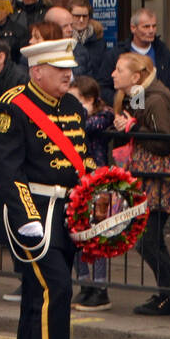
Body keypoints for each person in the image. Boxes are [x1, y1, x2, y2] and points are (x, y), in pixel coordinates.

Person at [0, 38, 93, 339]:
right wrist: (26, 219)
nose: (68, 74)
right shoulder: (12, 107)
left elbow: (83, 158)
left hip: (65, 213)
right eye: (60, 69)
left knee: (38, 296)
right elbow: (7, 170)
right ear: (37, 72)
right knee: (57, 289)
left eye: (69, 69)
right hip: (32, 213)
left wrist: (102, 190)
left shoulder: (71, 106)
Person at [110, 52, 170, 316]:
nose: (113, 74)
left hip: (159, 179)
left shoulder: (156, 99)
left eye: (119, 69)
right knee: (148, 239)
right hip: (145, 178)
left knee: (147, 240)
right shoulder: (139, 95)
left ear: (136, 76)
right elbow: (138, 123)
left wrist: (131, 128)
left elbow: (167, 141)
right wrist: (126, 124)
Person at [69, 76, 113, 311]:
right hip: (78, 179)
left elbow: (89, 126)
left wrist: (78, 113)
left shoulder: (103, 115)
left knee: (97, 235)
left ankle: (100, 287)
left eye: (75, 100)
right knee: (77, 232)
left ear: (89, 100)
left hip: (98, 181)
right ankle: (84, 283)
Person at [98, 8, 170, 104]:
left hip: (156, 107)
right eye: (146, 27)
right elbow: (103, 87)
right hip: (125, 111)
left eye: (154, 26)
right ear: (133, 28)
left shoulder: (163, 52)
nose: (151, 30)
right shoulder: (117, 53)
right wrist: (122, 102)